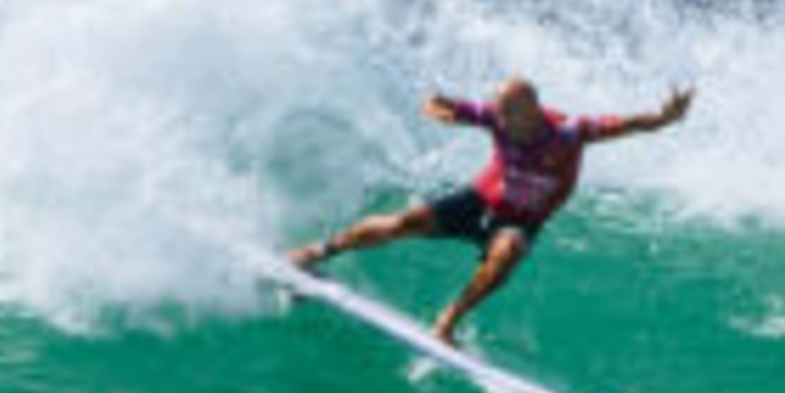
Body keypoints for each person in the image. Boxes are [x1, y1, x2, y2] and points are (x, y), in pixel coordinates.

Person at [289, 72, 693, 346]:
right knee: (404, 222)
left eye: (506, 113)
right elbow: (448, 106)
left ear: (531, 111)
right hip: (481, 200)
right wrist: (436, 106)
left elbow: (629, 125)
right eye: (496, 111)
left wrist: (664, 117)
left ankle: (448, 320)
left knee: (505, 255)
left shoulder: (570, 133)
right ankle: (317, 252)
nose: (497, 119)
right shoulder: (497, 117)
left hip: (519, 221)